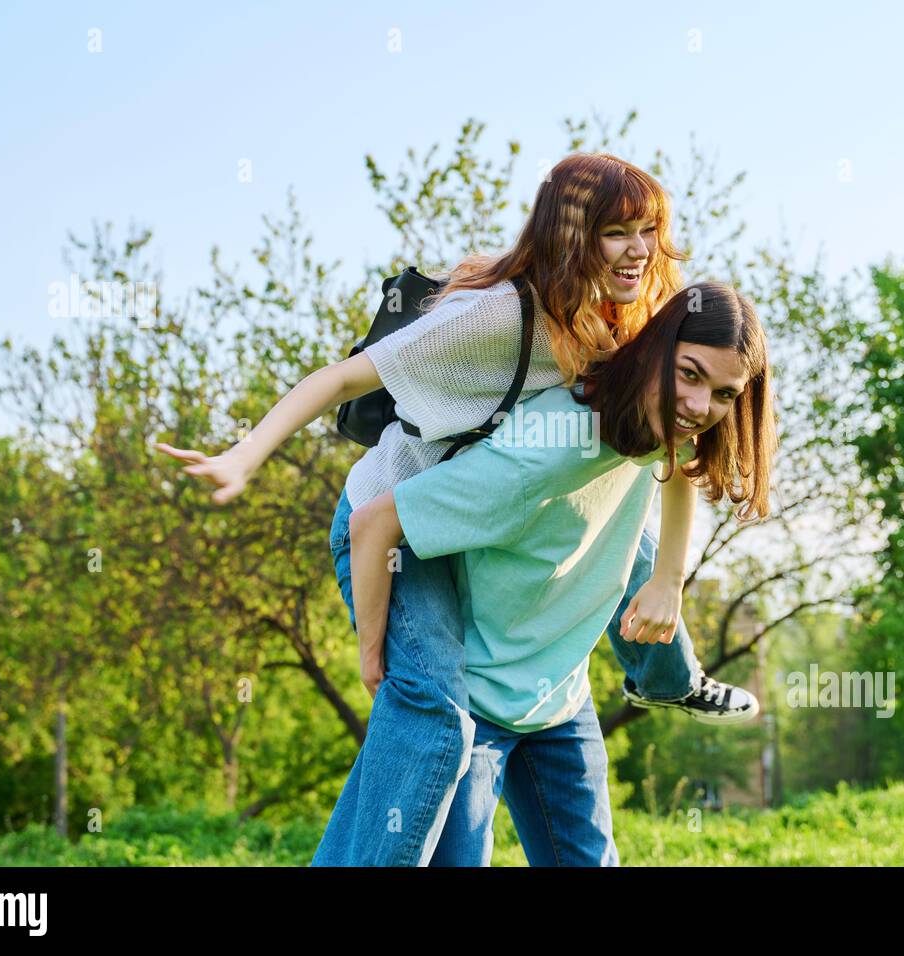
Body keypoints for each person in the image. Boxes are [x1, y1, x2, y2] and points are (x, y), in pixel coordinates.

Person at [158, 153, 757, 867]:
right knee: (436, 713)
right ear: (572, 236)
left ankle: (671, 678)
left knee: (627, 528)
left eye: (649, 230)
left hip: (472, 517)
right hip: (395, 526)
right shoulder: (500, 318)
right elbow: (348, 378)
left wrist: (670, 583)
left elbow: (679, 449)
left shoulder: (636, 318)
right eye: (616, 232)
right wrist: (247, 454)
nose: (638, 250)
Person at [342, 282, 776, 865]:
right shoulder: (537, 456)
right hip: (478, 700)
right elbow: (374, 524)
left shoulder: (653, 420)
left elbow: (680, 469)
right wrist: (375, 653)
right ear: (656, 352)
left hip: (559, 699)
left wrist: (670, 579)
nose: (699, 408)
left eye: (722, 393)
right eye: (690, 374)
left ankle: (673, 680)